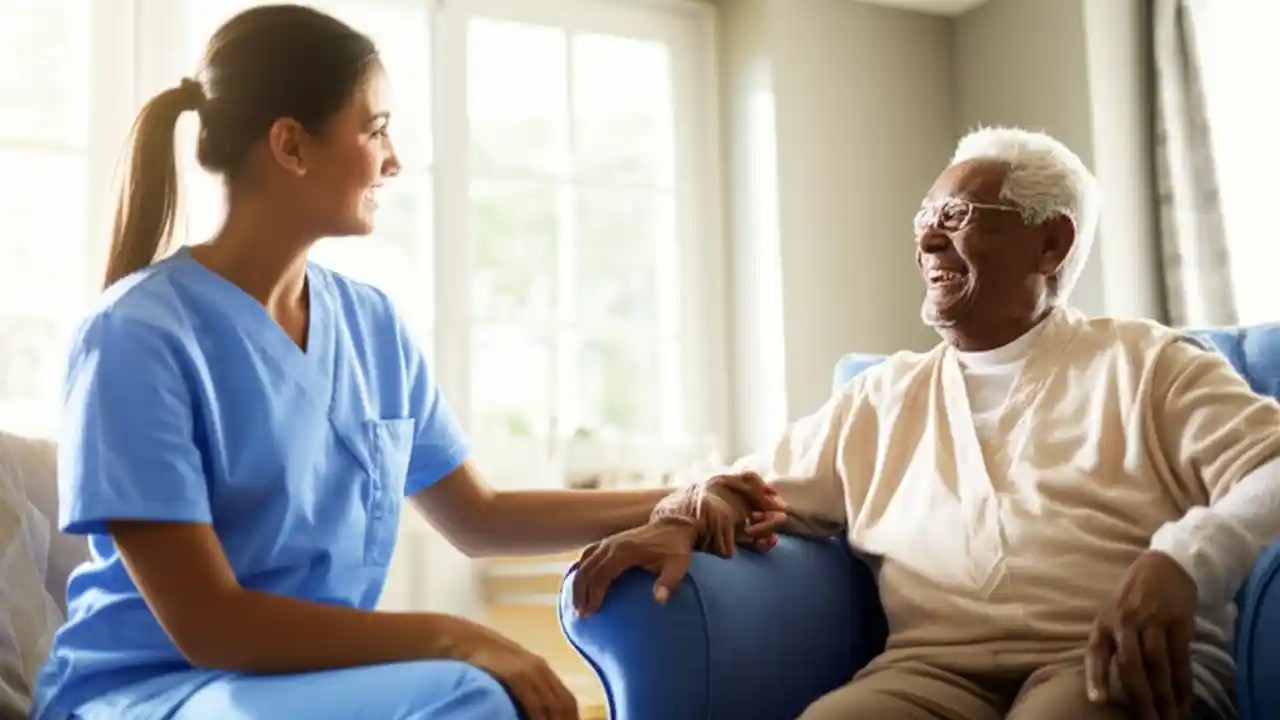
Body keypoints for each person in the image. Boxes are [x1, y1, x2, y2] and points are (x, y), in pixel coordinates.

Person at [30, 6, 783, 720]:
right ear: (290, 146)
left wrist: (682, 496)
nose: (392, 161)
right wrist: (460, 635)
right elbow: (210, 625)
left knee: (474, 695)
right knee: (471, 695)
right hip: (152, 694)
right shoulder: (135, 335)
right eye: (375, 129)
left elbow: (480, 516)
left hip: (296, 689)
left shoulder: (371, 325)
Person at [571, 127, 1280, 720]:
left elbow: (1272, 467)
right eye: (925, 220)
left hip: (1109, 659)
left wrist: (1184, 560)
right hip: (933, 675)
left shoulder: (1149, 363)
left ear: (1051, 243)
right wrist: (682, 513)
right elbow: (751, 487)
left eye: (958, 218)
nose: (928, 243)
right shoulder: (882, 396)